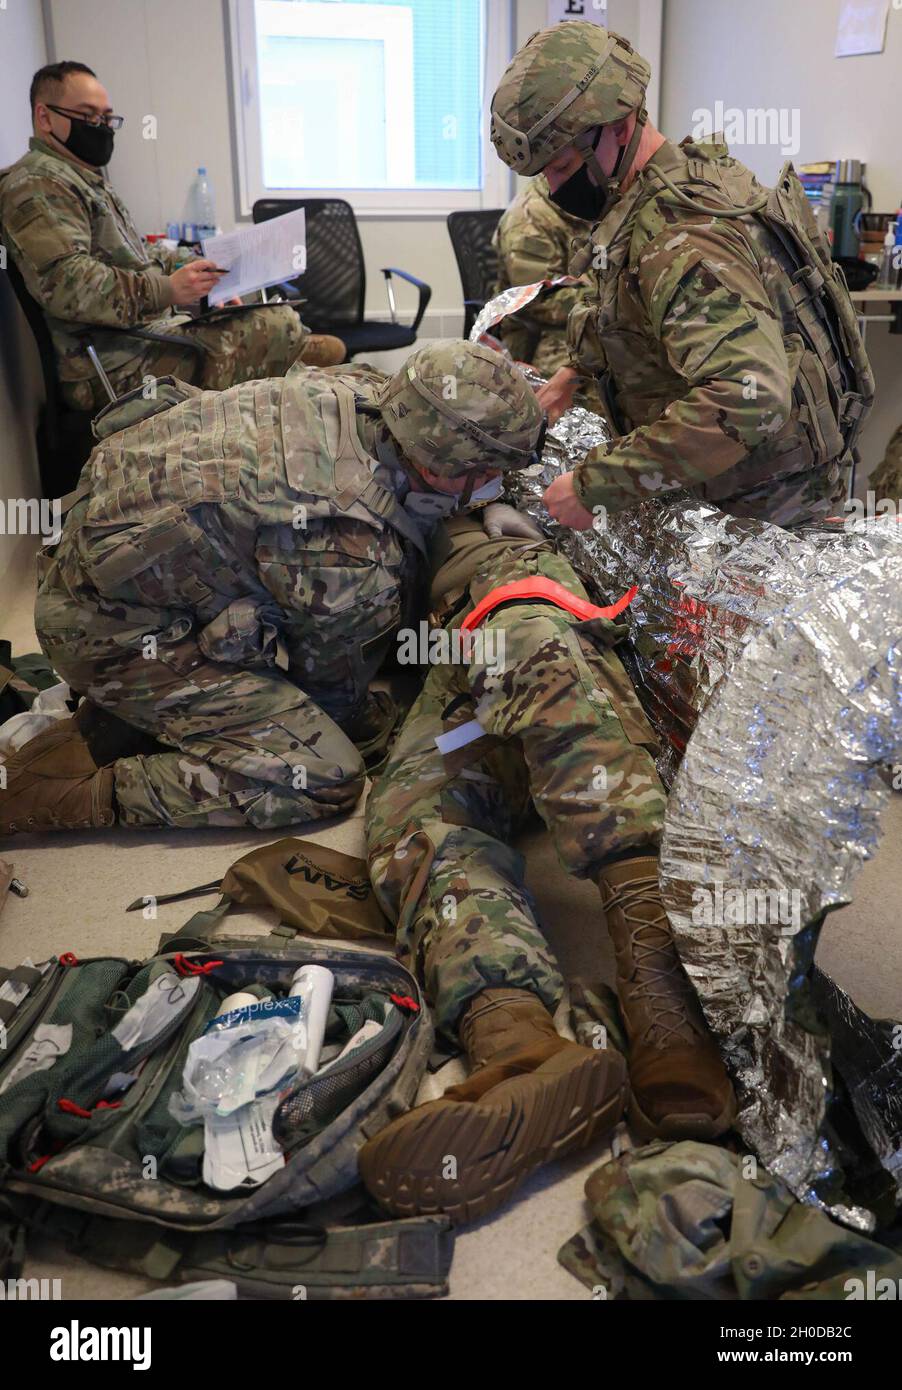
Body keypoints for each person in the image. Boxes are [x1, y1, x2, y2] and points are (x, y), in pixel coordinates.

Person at [356, 508, 735, 1225]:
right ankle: (515, 1039)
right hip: (460, 688)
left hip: (523, 601)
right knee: (412, 819)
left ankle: (657, 975)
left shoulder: (487, 456)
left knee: (529, 634)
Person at [0, 341, 544, 836]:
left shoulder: (365, 392)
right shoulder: (345, 546)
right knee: (324, 774)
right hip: (104, 631)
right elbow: (336, 699)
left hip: (99, 556)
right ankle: (64, 795)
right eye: (487, 471)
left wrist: (483, 501)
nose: (496, 482)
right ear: (441, 459)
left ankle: (131, 722)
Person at [489, 22, 873, 531]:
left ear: (619, 128)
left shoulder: (683, 236)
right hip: (735, 490)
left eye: (560, 166)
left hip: (766, 518)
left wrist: (596, 486)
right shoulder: (664, 187)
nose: (554, 187)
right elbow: (634, 313)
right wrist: (573, 373)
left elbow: (746, 394)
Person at [0, 62, 344, 413]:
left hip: (139, 338)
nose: (102, 128)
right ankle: (294, 351)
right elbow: (67, 285)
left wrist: (201, 268)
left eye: (107, 119)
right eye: (89, 117)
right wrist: (168, 289)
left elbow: (139, 253)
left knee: (269, 314)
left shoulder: (81, 179)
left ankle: (294, 352)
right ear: (44, 118)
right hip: (108, 366)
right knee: (280, 325)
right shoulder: (36, 185)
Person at [492, 173, 588, 377]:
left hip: (588, 317)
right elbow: (537, 301)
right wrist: (610, 303)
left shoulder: (591, 200)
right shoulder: (528, 222)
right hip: (540, 333)